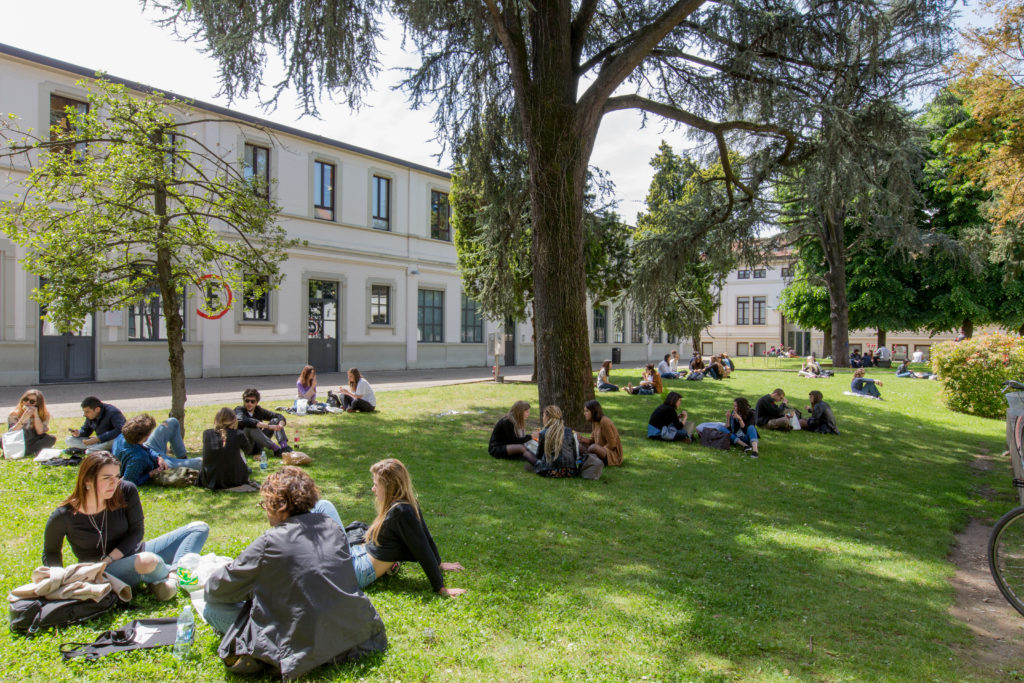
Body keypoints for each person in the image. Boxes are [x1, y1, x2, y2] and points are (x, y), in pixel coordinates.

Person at [203, 467, 387, 678]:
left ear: (279, 506)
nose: (265, 510)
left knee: (212, 610)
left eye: (266, 504)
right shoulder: (331, 526)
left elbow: (217, 590)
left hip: (300, 639)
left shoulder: (270, 542)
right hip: (352, 629)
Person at [43, 452, 209, 599]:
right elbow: (51, 552)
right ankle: (167, 578)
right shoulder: (64, 515)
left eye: (117, 477)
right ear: (87, 480)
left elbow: (136, 533)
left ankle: (171, 575)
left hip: (132, 553)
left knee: (199, 527)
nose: (114, 483)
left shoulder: (126, 491)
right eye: (107, 478)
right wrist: (59, 579)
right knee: (148, 560)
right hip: (99, 571)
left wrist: (109, 559)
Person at [350, 458, 466, 594]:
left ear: (389, 487)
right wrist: (439, 564)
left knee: (325, 508)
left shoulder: (402, 511)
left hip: (360, 569)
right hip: (359, 555)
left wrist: (440, 588)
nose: (373, 489)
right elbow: (426, 539)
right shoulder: (406, 505)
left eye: (376, 484)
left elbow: (423, 546)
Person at [112, 414, 202, 487]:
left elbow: (145, 447)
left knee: (172, 422)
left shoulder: (124, 435)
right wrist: (151, 474)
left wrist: (158, 456)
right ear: (144, 437)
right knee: (201, 462)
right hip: (157, 466)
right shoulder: (137, 459)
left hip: (152, 454)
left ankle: (183, 459)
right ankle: (184, 465)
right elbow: (129, 481)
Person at [199, 408, 252, 490]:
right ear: (234, 420)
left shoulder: (207, 433)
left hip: (209, 479)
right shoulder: (238, 434)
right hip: (233, 480)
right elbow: (248, 450)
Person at [234, 388, 292, 457]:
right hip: (247, 445)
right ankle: (276, 449)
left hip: (259, 443)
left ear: (256, 403)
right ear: (244, 401)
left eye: (252, 401)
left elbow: (278, 415)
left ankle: (284, 447)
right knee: (251, 427)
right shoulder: (239, 410)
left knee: (275, 420)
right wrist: (267, 426)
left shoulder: (258, 410)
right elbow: (243, 420)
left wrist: (281, 423)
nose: (249, 403)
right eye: (247, 401)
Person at [527, 406, 582, 477]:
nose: (542, 418)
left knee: (526, 454)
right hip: (571, 471)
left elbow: (539, 455)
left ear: (548, 417)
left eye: (543, 416)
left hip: (550, 471)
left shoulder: (543, 432)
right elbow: (574, 454)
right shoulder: (569, 431)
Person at [7, 389, 56, 456]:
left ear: (38, 403)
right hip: (18, 439)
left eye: (32, 401)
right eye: (25, 399)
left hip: (33, 439)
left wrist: (36, 415)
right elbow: (11, 433)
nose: (27, 402)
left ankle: (22, 451)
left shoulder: (45, 414)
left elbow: (40, 432)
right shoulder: (14, 413)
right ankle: (31, 450)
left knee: (51, 438)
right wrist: (23, 419)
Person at [578, 400, 623, 466]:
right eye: (584, 411)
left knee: (593, 447)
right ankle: (586, 457)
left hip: (611, 454)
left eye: (587, 411)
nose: (584, 413)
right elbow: (592, 440)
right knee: (578, 445)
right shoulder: (594, 421)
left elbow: (612, 444)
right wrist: (580, 438)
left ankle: (585, 458)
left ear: (593, 411)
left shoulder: (604, 421)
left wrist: (599, 448)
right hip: (599, 449)